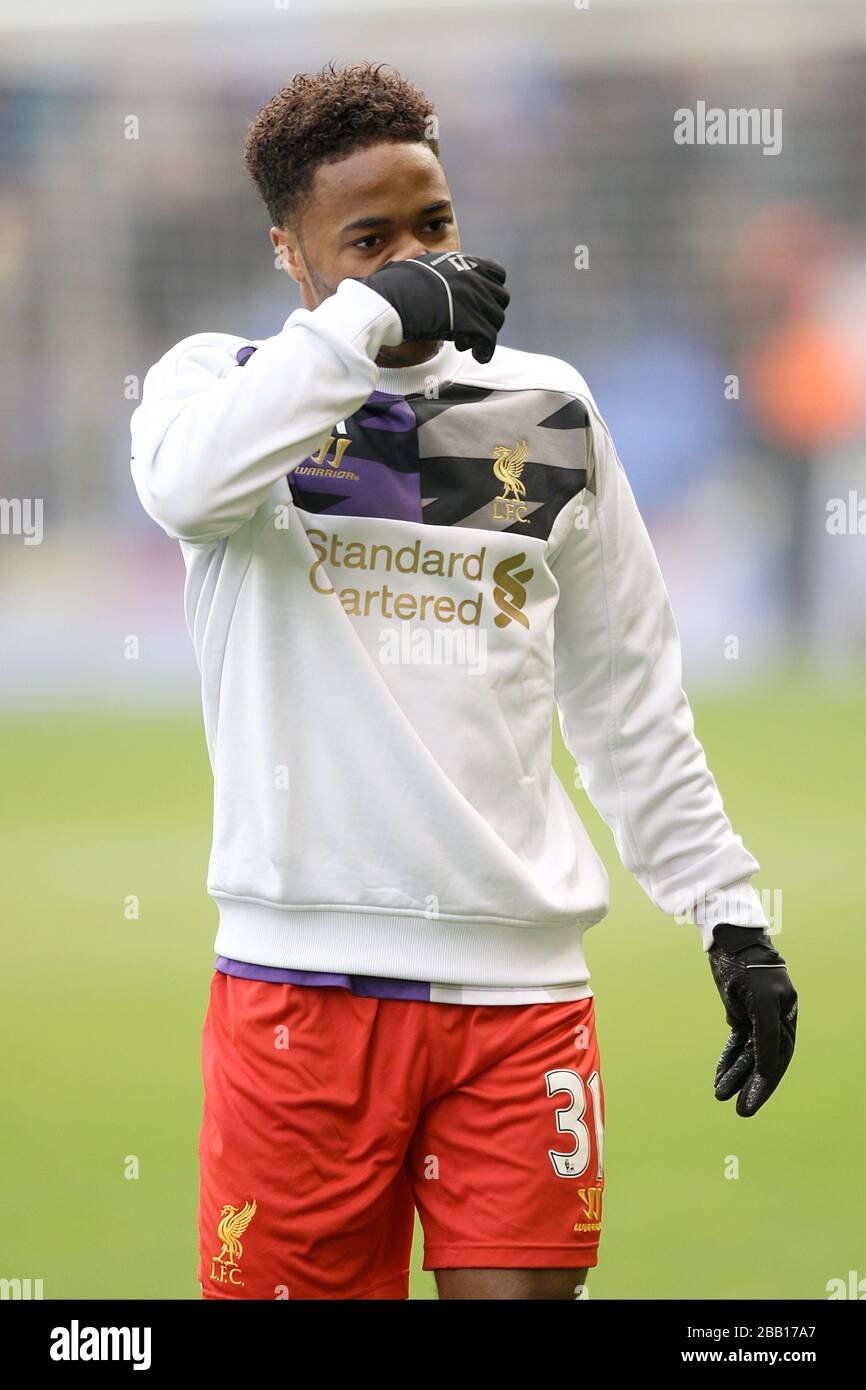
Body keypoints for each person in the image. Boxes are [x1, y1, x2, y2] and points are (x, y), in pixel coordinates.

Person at [130, 61, 797, 1302]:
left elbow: (627, 693)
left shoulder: (544, 408)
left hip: (520, 990)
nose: (415, 260)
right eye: (367, 240)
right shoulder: (215, 390)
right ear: (292, 255)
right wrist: (364, 324)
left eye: (432, 224)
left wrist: (727, 913)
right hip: (298, 988)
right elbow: (184, 490)